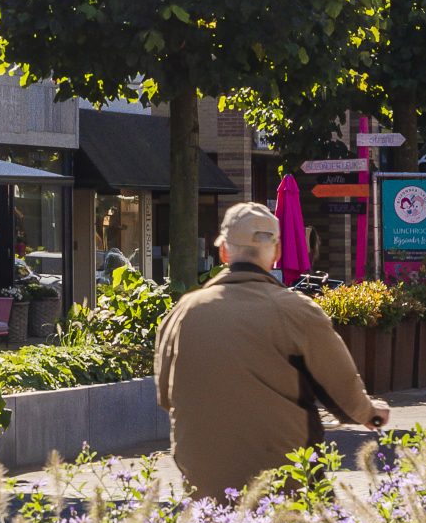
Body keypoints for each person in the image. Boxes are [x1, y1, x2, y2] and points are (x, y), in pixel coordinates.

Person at [154, 201, 383, 499]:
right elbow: (342, 391)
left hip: (203, 488)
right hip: (286, 488)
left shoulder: (182, 313)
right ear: (276, 253)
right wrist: (371, 413)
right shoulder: (297, 312)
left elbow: (165, 396)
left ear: (223, 252)